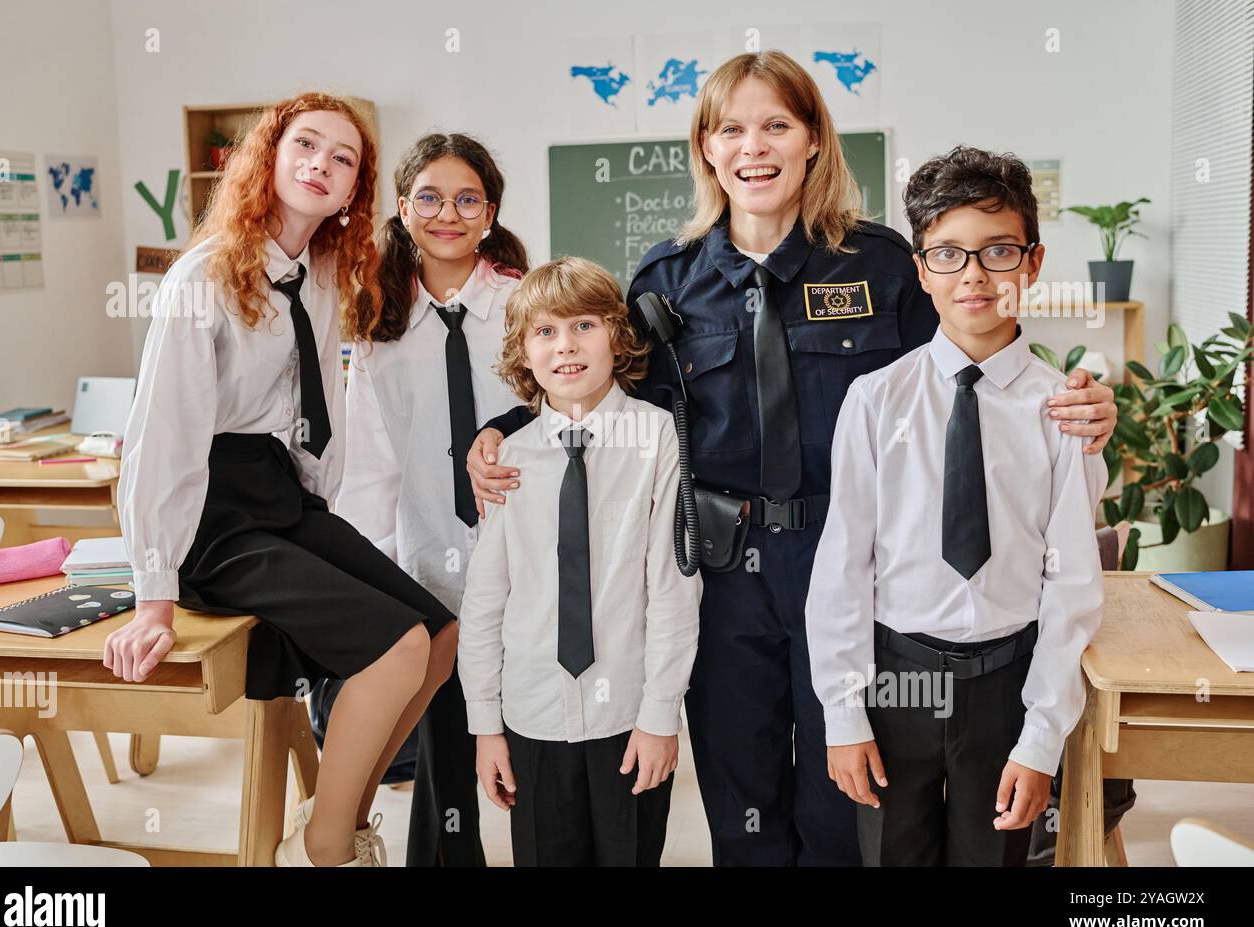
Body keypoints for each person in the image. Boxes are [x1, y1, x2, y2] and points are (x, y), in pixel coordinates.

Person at [466, 51, 1119, 866]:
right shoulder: (668, 280)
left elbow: (968, 368)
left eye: (777, 124)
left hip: (850, 564)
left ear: (813, 138)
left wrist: (1080, 404)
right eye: (732, 128)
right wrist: (500, 427)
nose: (755, 147)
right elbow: (599, 389)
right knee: (742, 791)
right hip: (722, 568)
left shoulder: (881, 265)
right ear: (706, 147)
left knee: (846, 787)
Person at [106, 93, 459, 867]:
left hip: (282, 495)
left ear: (352, 189)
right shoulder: (203, 277)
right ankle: (329, 850)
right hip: (211, 511)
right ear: (269, 156)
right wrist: (153, 596)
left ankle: (341, 814)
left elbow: (316, 403)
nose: (320, 165)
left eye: (343, 158)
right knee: (396, 648)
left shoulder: (323, 272)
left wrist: (314, 507)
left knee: (440, 637)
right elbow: (163, 441)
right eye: (306, 145)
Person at [808, 145, 1107, 866]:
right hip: (894, 677)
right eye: (947, 254)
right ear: (921, 270)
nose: (973, 274)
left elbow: (1071, 588)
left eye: (998, 251)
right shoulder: (876, 400)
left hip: (1006, 682)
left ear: (1032, 265)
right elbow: (844, 567)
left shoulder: (1063, 410)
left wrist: (1041, 740)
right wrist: (844, 714)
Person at [325, 132, 528, 866]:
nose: (449, 213)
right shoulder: (377, 322)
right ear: (404, 209)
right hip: (426, 567)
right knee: (444, 756)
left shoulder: (523, 306)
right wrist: (373, 575)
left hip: (524, 560)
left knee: (528, 738)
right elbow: (370, 465)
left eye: (467, 198)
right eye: (431, 198)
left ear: (490, 212)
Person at [458, 257, 701, 866]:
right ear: (523, 351)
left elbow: (672, 589)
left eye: (583, 326)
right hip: (531, 714)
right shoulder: (507, 457)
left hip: (627, 712)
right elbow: (485, 601)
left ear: (617, 337)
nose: (565, 346)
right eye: (544, 332)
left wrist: (660, 716)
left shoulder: (658, 437)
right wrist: (486, 725)